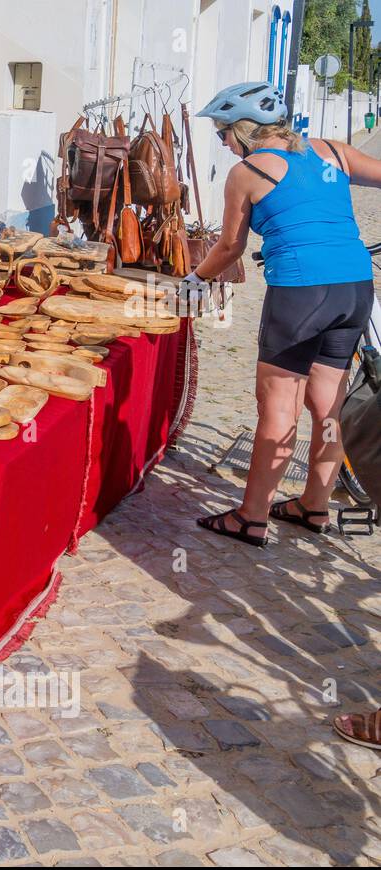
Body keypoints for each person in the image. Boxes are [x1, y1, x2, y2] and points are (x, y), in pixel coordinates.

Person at [186, 81, 379, 546]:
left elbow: (231, 246)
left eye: (223, 134)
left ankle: (251, 517)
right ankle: (313, 505)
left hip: (301, 294)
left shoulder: (248, 172)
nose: (223, 143)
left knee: (278, 406)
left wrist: (196, 279)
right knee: (327, 404)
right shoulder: (333, 150)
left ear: (246, 130)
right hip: (354, 288)